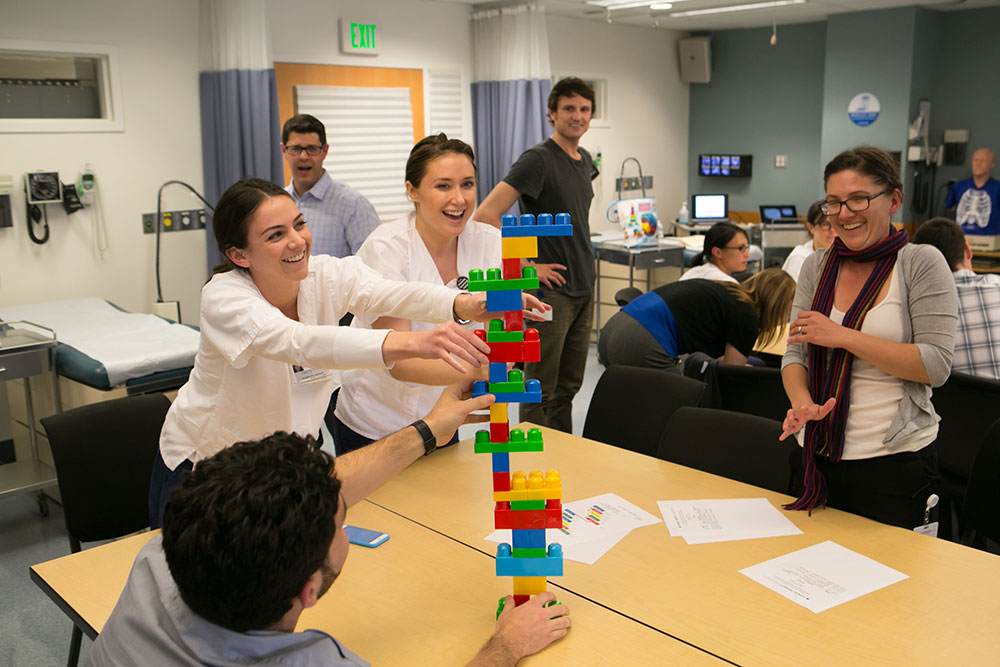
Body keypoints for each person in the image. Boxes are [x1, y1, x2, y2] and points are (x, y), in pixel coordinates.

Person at [149, 178, 548, 528]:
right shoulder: (225, 298)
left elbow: (394, 292)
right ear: (239, 254)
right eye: (275, 235)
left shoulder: (325, 275)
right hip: (207, 468)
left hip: (280, 468)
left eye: (299, 224)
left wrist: (467, 304)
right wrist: (416, 343)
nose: (296, 241)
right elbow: (299, 341)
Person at [90, 382, 572, 666]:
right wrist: (506, 646)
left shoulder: (156, 561)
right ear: (308, 591)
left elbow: (322, 486)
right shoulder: (312, 660)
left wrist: (428, 429)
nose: (345, 509)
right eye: (340, 524)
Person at [780, 146, 958, 529]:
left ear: (893, 200)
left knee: (893, 584)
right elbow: (795, 354)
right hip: (816, 454)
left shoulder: (920, 263)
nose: (844, 214)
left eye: (858, 199)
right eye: (833, 203)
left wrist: (844, 336)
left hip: (894, 466)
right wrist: (803, 403)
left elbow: (935, 365)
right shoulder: (817, 266)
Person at [333, 133, 502, 453]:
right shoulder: (387, 249)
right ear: (412, 190)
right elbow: (400, 360)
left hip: (443, 414)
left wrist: (502, 365)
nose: (460, 198)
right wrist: (480, 372)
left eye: (467, 184)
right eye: (443, 186)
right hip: (378, 419)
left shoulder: (489, 242)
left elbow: (503, 328)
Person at [474, 77, 599, 433]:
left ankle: (565, 452)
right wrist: (529, 265)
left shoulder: (584, 159)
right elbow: (485, 215)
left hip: (583, 287)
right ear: (551, 113)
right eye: (569, 109)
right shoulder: (538, 160)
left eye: (584, 109)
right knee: (539, 389)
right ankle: (536, 460)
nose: (577, 116)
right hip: (552, 294)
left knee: (568, 388)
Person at [598, 268, 795, 371]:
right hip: (640, 341)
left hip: (613, 329)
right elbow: (732, 371)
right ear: (777, 305)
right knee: (684, 399)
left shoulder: (724, 289)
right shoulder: (746, 314)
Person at [913, 216, 1000, 380]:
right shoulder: (996, 285)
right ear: (967, 250)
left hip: (946, 404)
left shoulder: (913, 308)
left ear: (919, 262)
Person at [281, 114, 380, 257]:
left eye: (312, 149)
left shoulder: (354, 205)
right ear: (284, 150)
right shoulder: (278, 203)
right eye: (295, 149)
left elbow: (373, 265)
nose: (303, 156)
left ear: (325, 151)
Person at [945, 148, 999, 236]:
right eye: (975, 160)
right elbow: (948, 207)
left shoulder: (997, 188)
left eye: (983, 160)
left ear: (992, 164)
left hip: (989, 240)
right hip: (960, 237)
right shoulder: (959, 186)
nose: (978, 164)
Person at [781, 200, 836, 282]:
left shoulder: (841, 255)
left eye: (835, 224)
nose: (832, 230)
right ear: (810, 227)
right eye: (826, 224)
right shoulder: (800, 258)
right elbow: (791, 293)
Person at [680, 222, 749, 283]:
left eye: (746, 248)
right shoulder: (727, 284)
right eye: (741, 248)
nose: (747, 254)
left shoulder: (691, 273)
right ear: (718, 252)